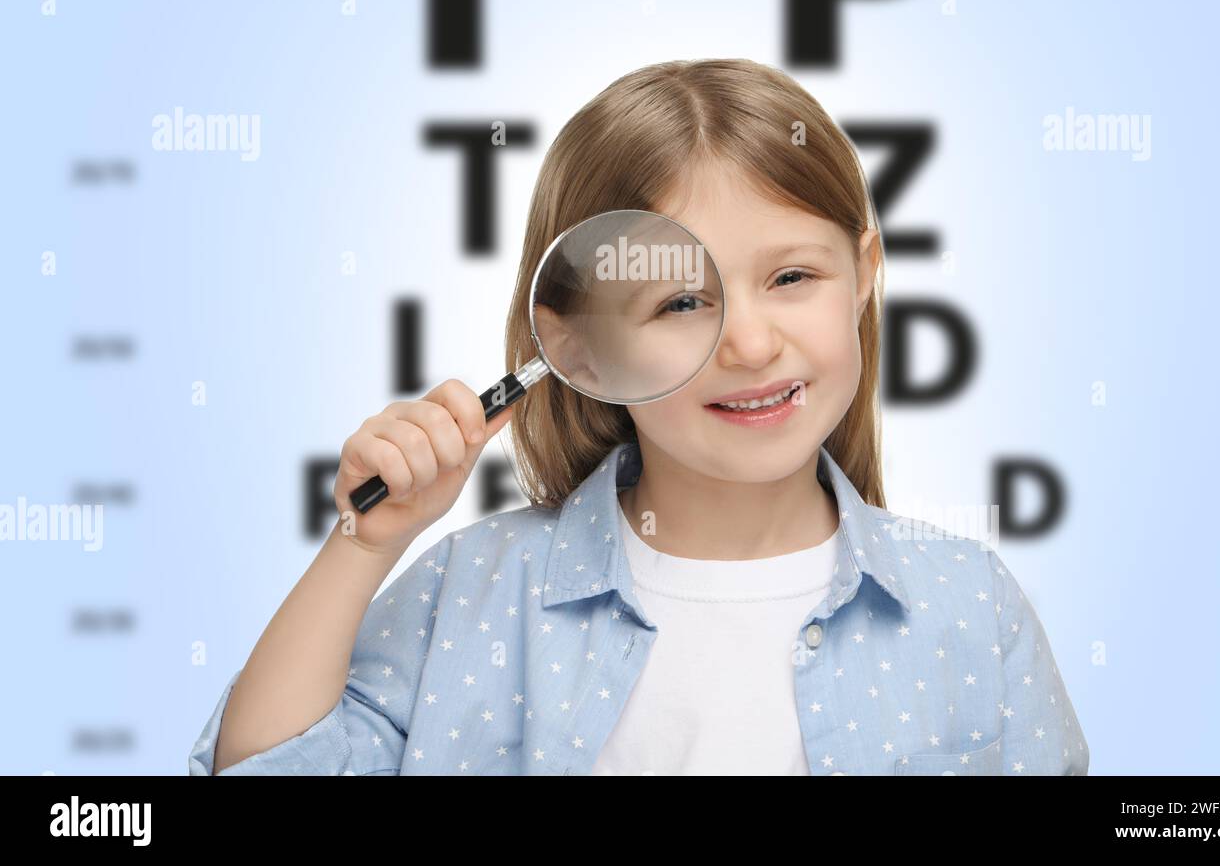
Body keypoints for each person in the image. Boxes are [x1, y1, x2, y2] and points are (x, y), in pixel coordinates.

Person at [189, 58, 1089, 776]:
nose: (747, 343)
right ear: (580, 348)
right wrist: (364, 545)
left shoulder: (969, 606)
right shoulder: (476, 592)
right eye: (678, 304)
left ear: (864, 275)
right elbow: (268, 768)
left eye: (790, 278)